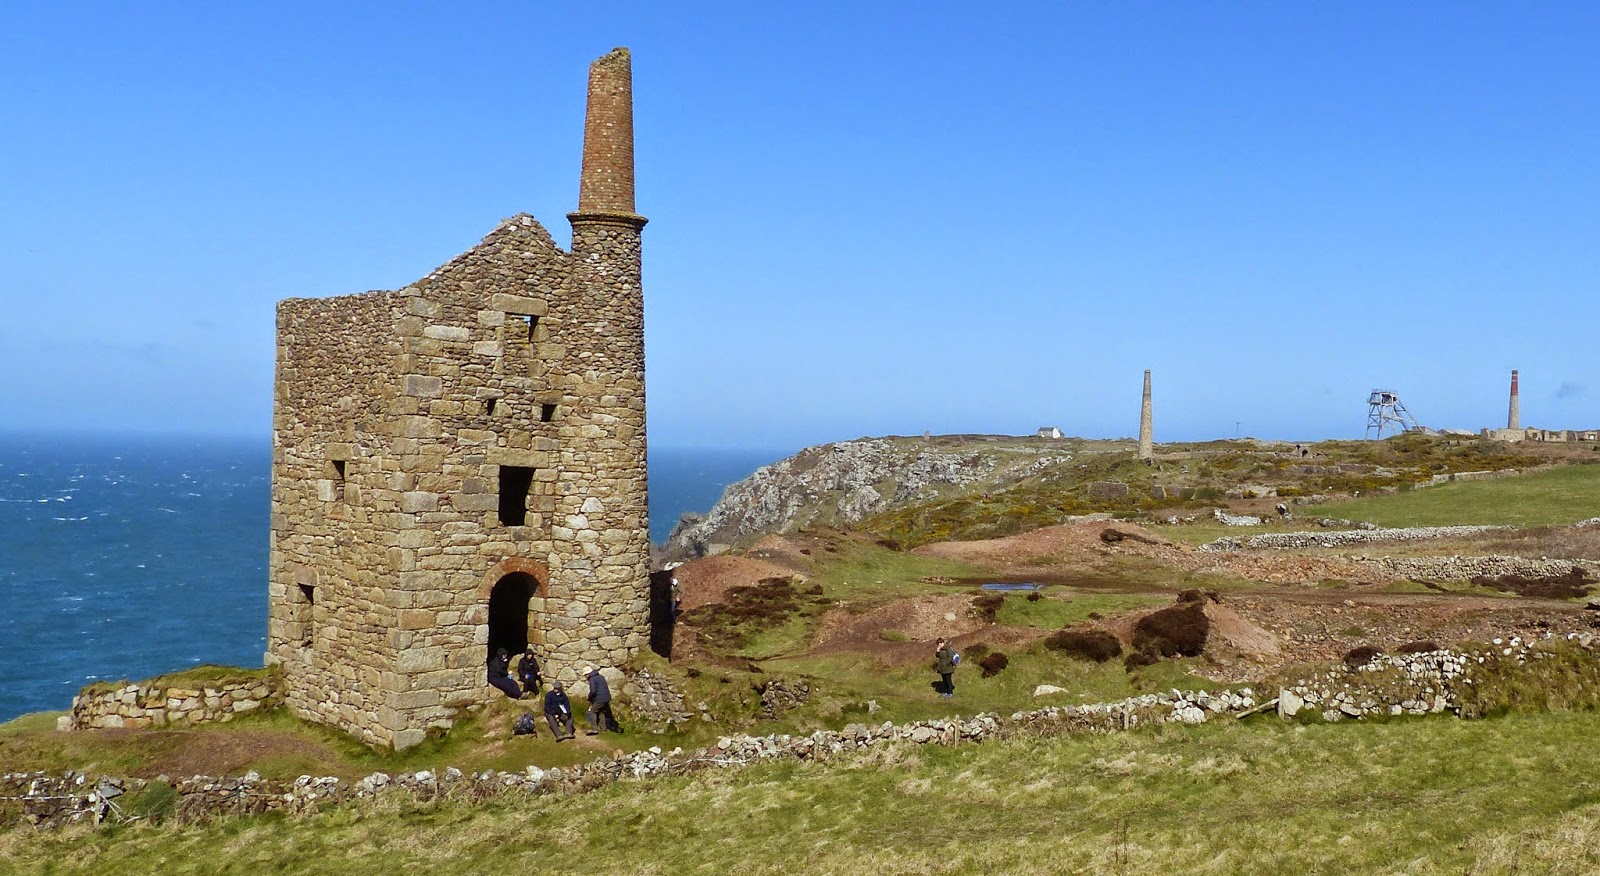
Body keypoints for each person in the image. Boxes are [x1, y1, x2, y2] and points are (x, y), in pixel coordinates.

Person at [584, 666, 621, 734]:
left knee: (593, 711)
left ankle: (594, 728)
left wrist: (589, 698)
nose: (585, 677)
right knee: (601, 712)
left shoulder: (592, 679)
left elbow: (593, 691)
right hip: (606, 697)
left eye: (585, 675)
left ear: (588, 674)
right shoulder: (601, 677)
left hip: (600, 698)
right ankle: (603, 729)